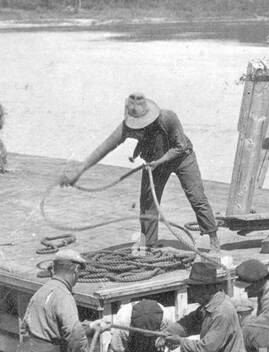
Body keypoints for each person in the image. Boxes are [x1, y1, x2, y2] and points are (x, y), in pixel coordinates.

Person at [60, 92, 220, 253]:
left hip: (182, 158)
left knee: (197, 197)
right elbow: (103, 149)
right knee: (148, 203)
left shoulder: (168, 117)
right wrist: (78, 172)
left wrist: (160, 161)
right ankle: (149, 244)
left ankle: (214, 241)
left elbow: (180, 146)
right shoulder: (126, 128)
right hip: (154, 163)